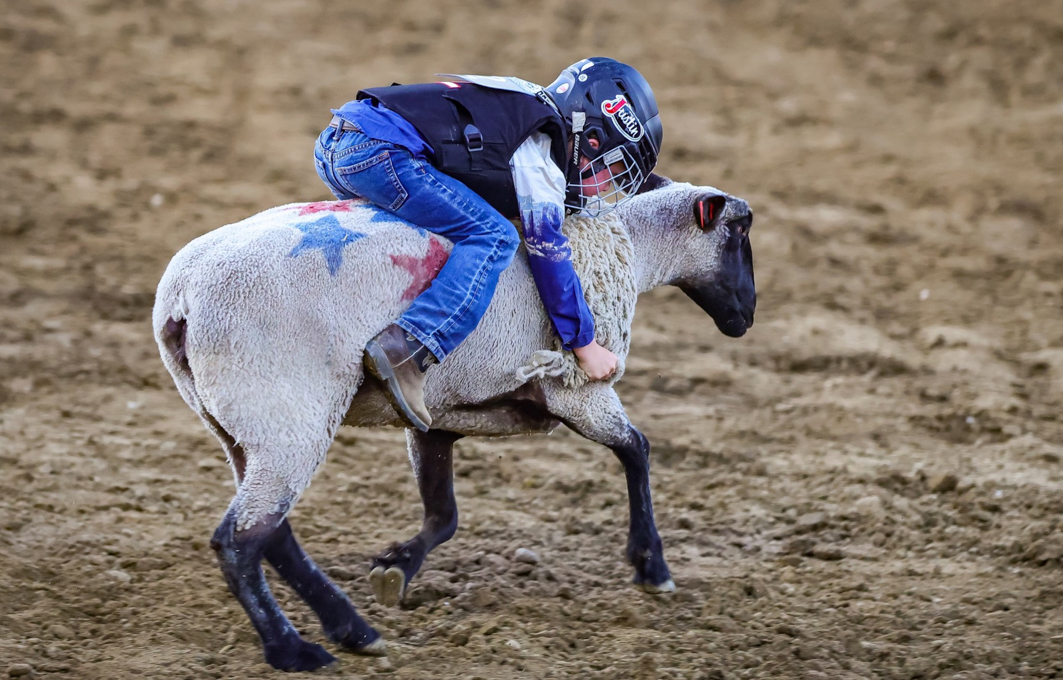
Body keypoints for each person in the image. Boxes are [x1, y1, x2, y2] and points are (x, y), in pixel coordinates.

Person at [314, 57, 662, 432]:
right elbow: (547, 251)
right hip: (379, 154)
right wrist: (584, 345)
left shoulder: (528, 102)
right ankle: (408, 349)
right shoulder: (542, 154)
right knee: (494, 237)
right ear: (591, 140)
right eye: (611, 172)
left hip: (341, 141)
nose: (606, 189)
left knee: (453, 226)